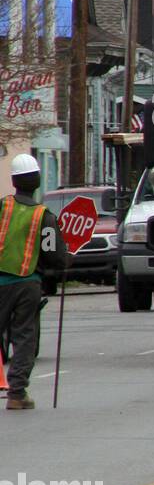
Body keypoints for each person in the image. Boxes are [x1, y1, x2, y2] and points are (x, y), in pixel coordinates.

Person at [0, 155, 69, 409]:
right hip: (28, 282)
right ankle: (17, 394)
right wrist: (65, 261)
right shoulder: (44, 216)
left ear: (14, 181)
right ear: (37, 181)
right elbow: (53, 254)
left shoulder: (2, 207)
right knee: (24, 336)